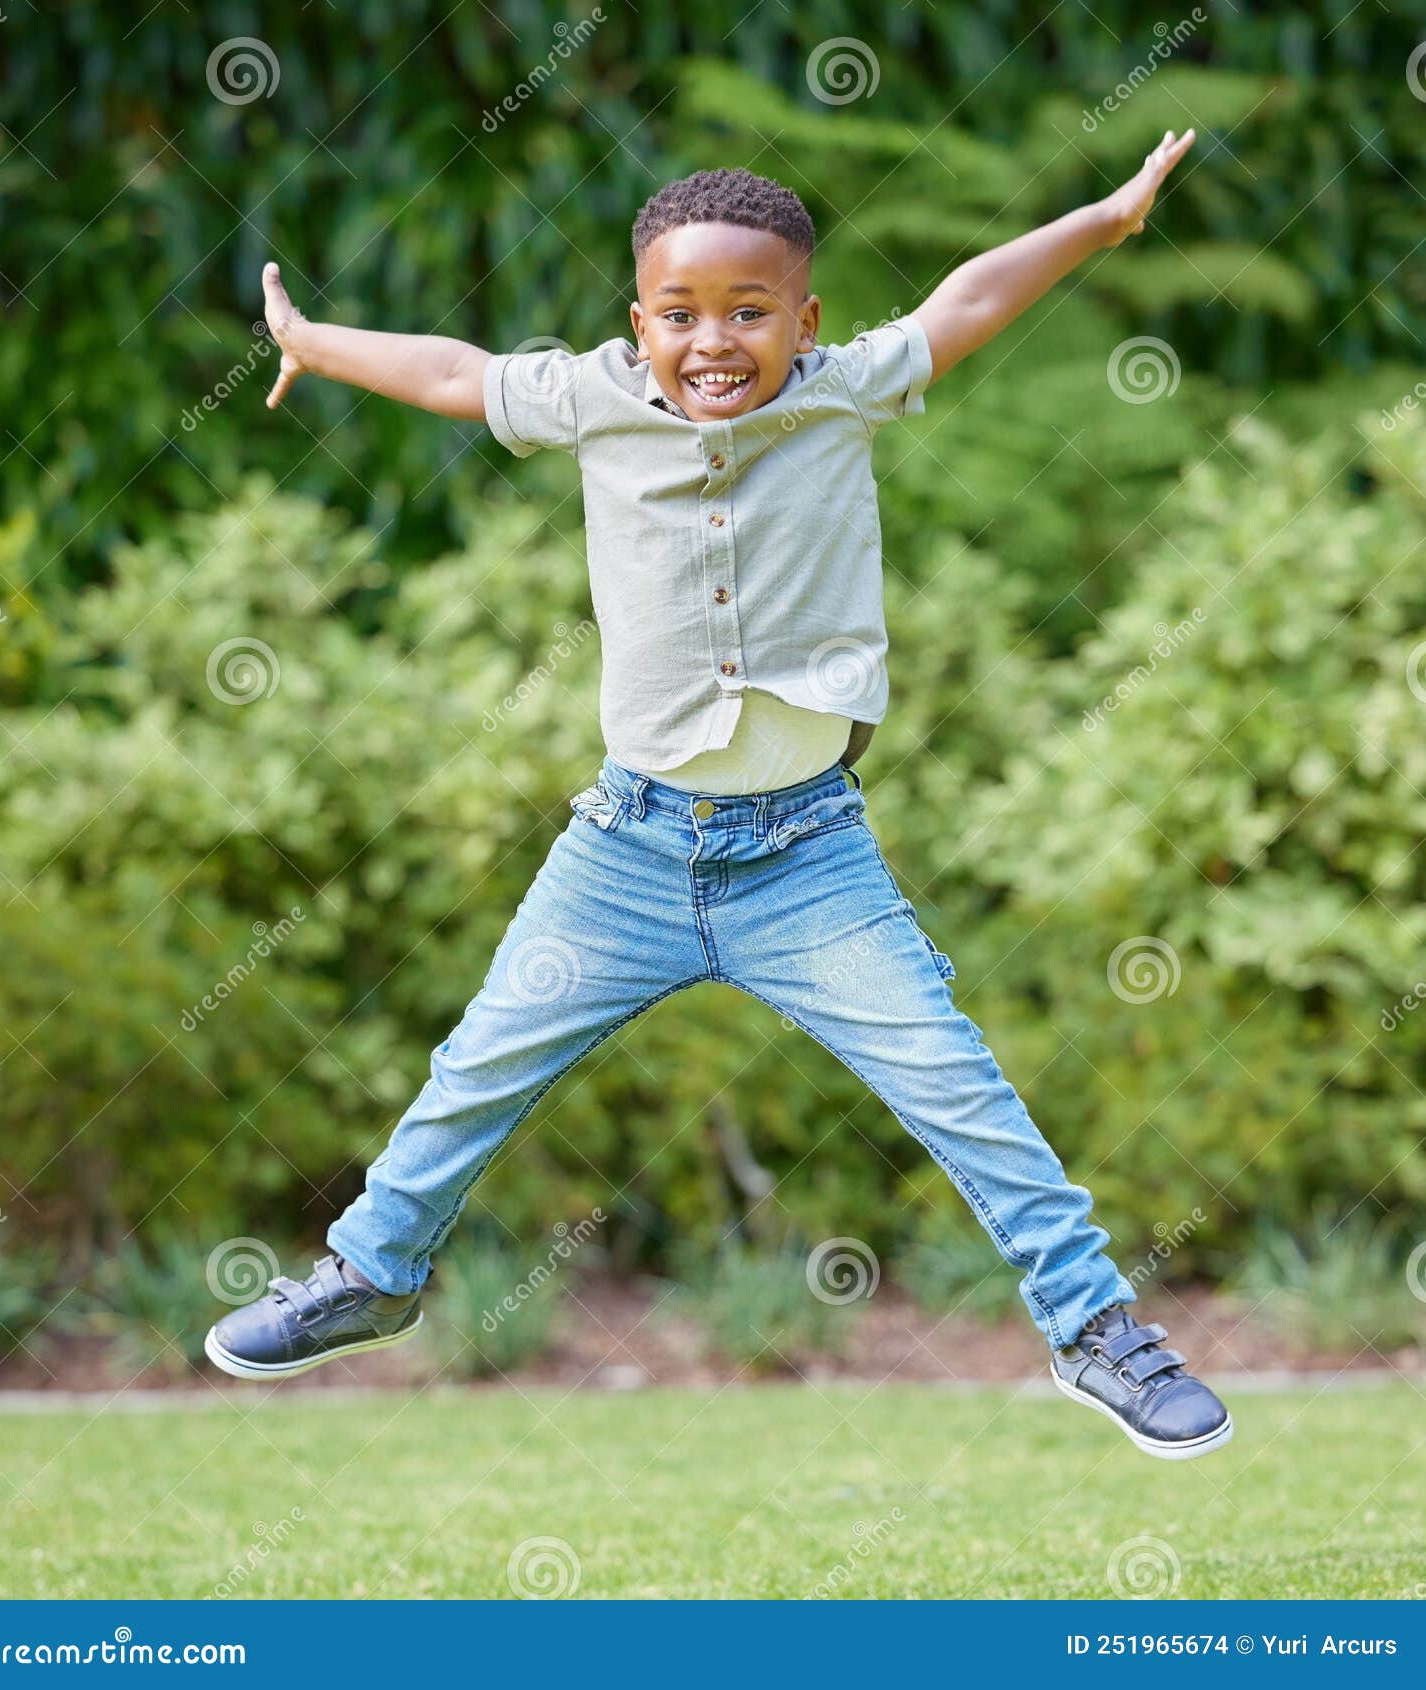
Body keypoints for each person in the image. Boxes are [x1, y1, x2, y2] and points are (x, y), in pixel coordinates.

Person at [206, 131, 1233, 1461]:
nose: (713, 341)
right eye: (681, 314)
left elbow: (967, 297)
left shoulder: (848, 388)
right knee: (476, 1064)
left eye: (750, 313)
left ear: (805, 319)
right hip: (628, 848)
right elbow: (457, 373)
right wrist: (317, 341)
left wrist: (1102, 216)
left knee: (955, 1081)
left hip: (808, 856)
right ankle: (374, 1269)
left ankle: (1095, 1327)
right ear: (638, 323)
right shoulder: (591, 396)